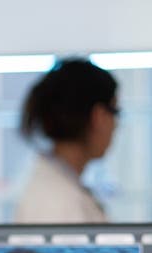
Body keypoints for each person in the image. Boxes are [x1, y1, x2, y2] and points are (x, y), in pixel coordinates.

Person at [14, 57, 120, 224]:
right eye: (116, 112)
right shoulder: (59, 202)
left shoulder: (57, 188)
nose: (116, 126)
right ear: (98, 116)